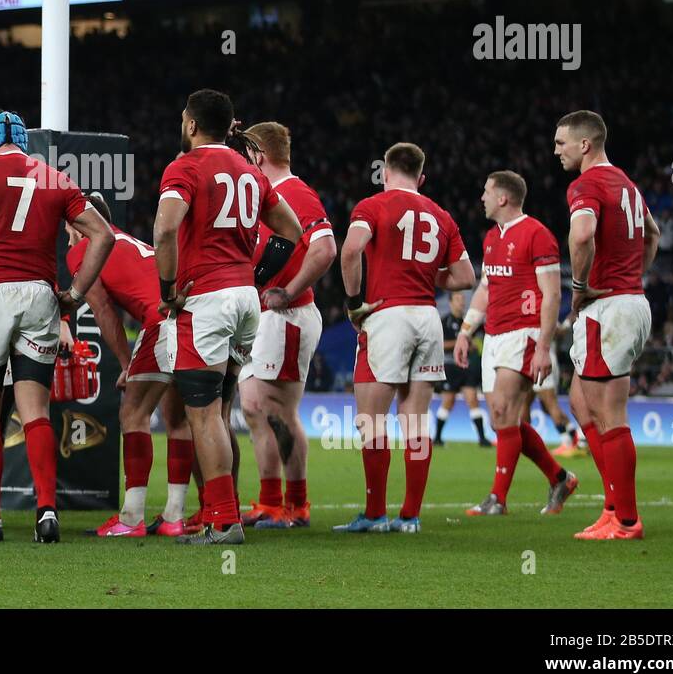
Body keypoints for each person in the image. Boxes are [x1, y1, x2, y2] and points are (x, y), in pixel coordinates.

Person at [0, 110, 114, 542]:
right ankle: (47, 514)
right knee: (35, 411)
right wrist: (77, 293)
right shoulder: (54, 177)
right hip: (39, 296)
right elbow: (103, 235)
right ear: (24, 143)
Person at [154, 90, 303, 545]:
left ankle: (223, 520)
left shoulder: (185, 166)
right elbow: (292, 232)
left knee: (202, 415)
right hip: (243, 299)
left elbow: (164, 228)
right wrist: (254, 277)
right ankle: (224, 513)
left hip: (207, 300)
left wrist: (168, 290)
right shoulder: (249, 170)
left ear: (192, 124)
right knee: (219, 410)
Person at [335, 142, 474, 535]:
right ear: (422, 178)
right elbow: (465, 277)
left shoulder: (372, 206)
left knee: (371, 420)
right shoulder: (441, 215)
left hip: (387, 315)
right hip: (428, 317)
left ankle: (376, 514)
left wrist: (354, 304)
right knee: (415, 421)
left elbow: (350, 251)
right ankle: (410, 516)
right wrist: (430, 275)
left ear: (385, 172)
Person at [554, 110, 658, 540]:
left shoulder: (587, 184)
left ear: (585, 145)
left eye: (561, 143)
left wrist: (579, 285)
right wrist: (634, 277)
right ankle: (613, 505)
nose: (556, 150)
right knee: (580, 400)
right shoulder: (626, 184)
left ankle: (627, 520)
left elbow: (582, 235)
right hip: (624, 300)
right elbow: (651, 234)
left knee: (610, 413)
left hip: (609, 306)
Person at [67, 193, 195, 538]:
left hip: (161, 322)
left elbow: (104, 312)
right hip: (190, 320)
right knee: (178, 419)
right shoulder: (128, 241)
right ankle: (174, 516)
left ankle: (131, 517)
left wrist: (126, 363)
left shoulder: (85, 249)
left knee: (133, 414)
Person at [454, 170, 579, 516]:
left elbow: (552, 294)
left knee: (503, 412)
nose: (482, 198)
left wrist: (542, 345)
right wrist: (466, 331)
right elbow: (485, 288)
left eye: (486, 191)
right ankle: (560, 477)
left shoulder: (537, 235)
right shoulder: (492, 238)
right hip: (492, 334)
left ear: (503, 198)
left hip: (523, 333)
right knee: (501, 420)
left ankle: (498, 499)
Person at [236, 121, 335, 529]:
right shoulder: (269, 196)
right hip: (267, 316)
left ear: (259, 155)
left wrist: (289, 291)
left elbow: (326, 248)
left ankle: (296, 504)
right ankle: (272, 502)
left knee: (277, 410)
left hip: (287, 316)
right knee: (257, 408)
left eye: (246, 154)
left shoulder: (294, 193)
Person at [436, 291, 490, 447]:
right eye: (458, 299)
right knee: (448, 401)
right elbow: (440, 345)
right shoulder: (444, 321)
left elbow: (479, 340)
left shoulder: (468, 323)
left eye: (463, 299)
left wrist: (473, 345)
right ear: (451, 302)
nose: (461, 302)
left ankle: (482, 438)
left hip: (466, 366)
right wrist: (461, 342)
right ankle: (437, 438)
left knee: (472, 399)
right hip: (450, 366)